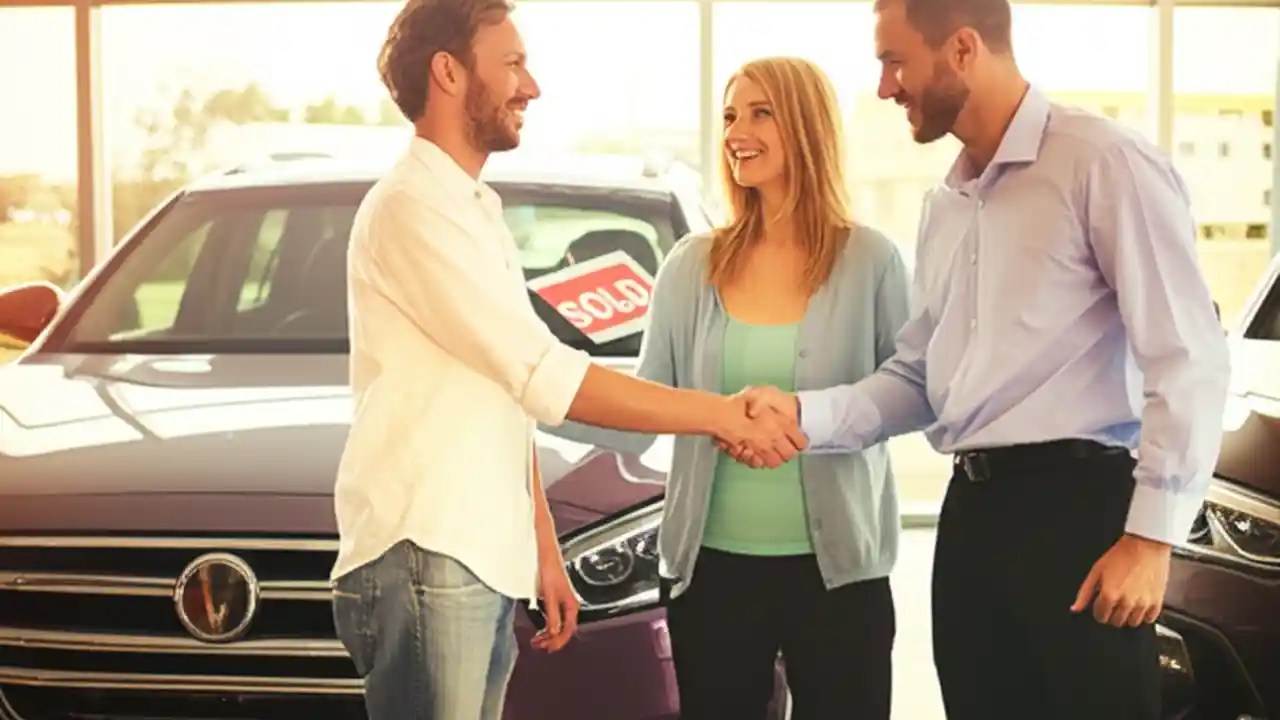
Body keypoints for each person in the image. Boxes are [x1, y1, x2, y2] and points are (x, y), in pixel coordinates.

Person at [735, 0, 1232, 718]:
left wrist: (1151, 538)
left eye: (894, 61)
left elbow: (1187, 357)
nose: (884, 87)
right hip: (972, 519)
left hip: (1079, 519)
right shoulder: (946, 203)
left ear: (963, 49)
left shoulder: (1102, 163)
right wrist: (802, 415)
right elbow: (917, 377)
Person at [328, 2, 804, 719]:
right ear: (448, 72)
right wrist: (721, 415)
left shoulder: (470, 207)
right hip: (429, 554)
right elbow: (545, 377)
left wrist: (541, 547)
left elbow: (506, 395)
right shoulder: (412, 208)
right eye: (513, 63)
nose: (532, 86)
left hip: (475, 557)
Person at [542, 57, 910, 719]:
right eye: (731, 114)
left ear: (806, 125)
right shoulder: (691, 266)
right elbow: (643, 409)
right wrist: (537, 393)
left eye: (760, 112)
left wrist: (805, 419)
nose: (737, 129)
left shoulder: (872, 262)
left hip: (841, 580)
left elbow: (906, 396)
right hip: (711, 574)